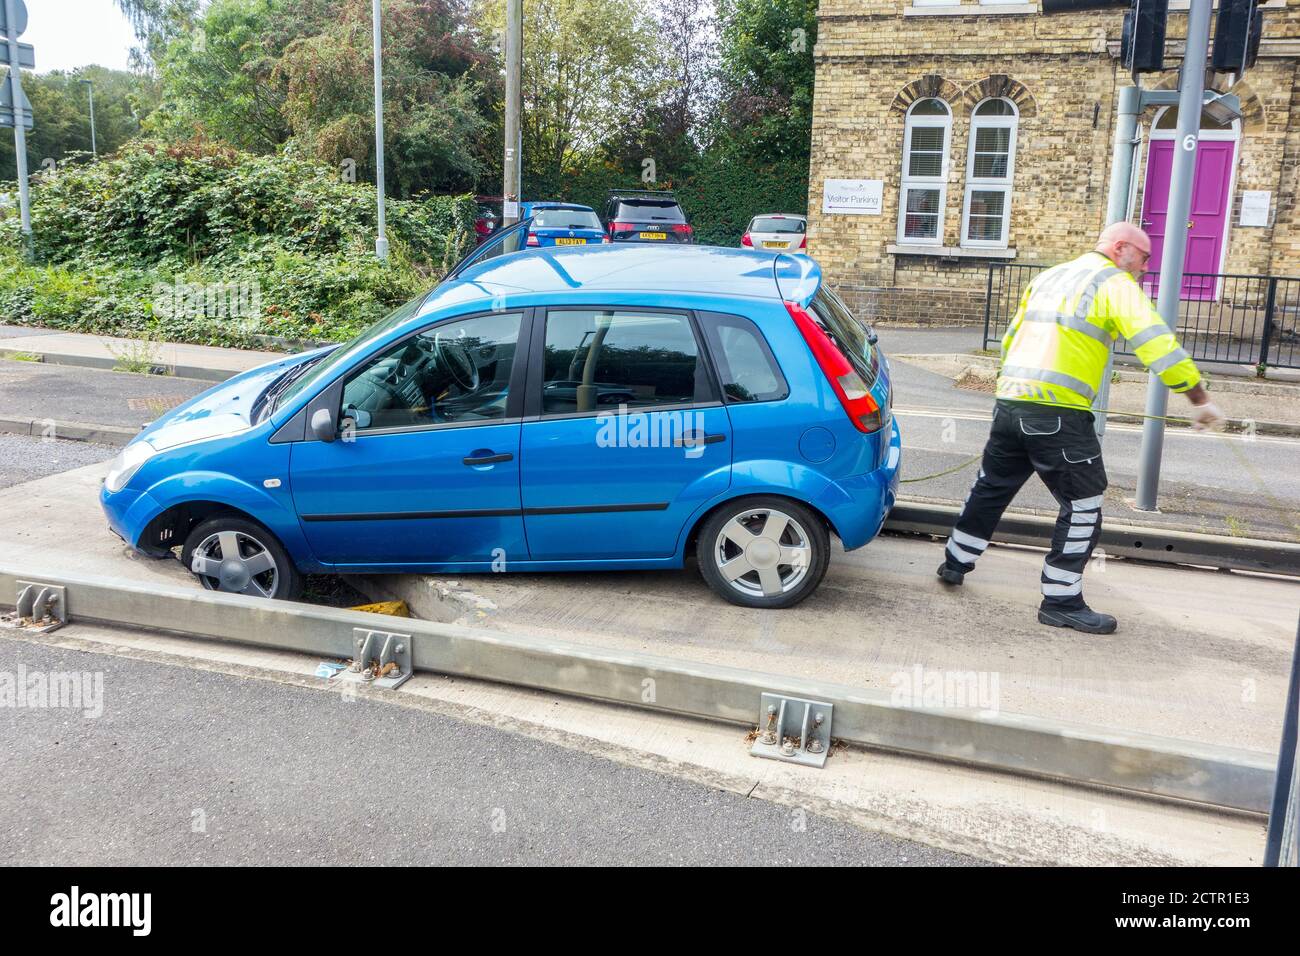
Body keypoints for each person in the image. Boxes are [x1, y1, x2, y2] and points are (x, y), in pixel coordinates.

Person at [938, 222, 1225, 634]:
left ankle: (955, 562)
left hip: (1011, 403)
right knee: (1084, 504)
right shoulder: (1115, 282)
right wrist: (1199, 399)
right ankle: (1061, 600)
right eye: (1144, 258)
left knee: (992, 486)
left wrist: (1012, 392)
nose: (1146, 268)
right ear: (1121, 248)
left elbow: (1011, 338)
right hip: (1060, 416)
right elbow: (1156, 342)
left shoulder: (1049, 276)